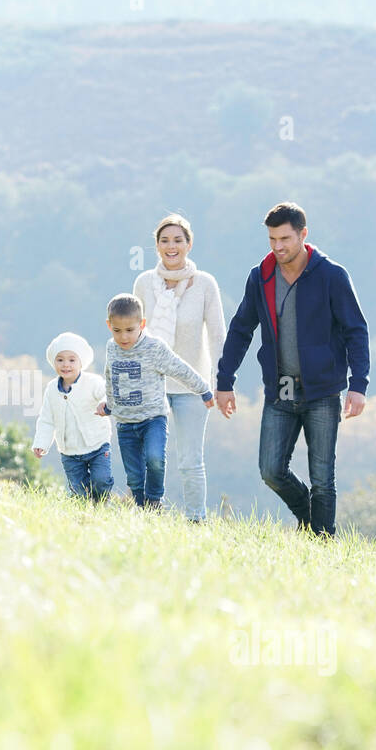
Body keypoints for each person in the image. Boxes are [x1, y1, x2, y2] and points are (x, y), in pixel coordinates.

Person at [213, 202, 370, 536]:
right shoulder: (261, 277)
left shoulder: (331, 275)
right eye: (272, 239)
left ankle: (322, 543)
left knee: (323, 479)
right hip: (280, 389)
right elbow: (241, 329)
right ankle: (308, 517)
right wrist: (224, 381)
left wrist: (358, 385)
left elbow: (356, 330)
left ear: (303, 234)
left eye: (285, 238)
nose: (278, 246)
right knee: (271, 470)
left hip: (322, 391)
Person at [132, 214, 226, 522]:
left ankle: (196, 519)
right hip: (151, 384)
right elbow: (133, 333)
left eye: (178, 240)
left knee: (189, 459)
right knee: (152, 458)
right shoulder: (144, 283)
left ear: (189, 243)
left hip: (191, 385)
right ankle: (148, 513)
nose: (171, 247)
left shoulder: (205, 284)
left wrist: (218, 383)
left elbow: (216, 335)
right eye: (164, 240)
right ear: (157, 246)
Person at [97, 293, 214, 508]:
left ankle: (154, 500)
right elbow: (111, 377)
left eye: (130, 330)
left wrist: (203, 389)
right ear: (109, 325)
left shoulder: (154, 348)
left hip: (153, 419)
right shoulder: (111, 347)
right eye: (117, 331)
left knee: (155, 459)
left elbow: (180, 369)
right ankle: (143, 510)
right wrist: (110, 406)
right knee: (133, 475)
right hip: (125, 423)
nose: (124, 337)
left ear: (141, 324)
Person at [32, 332, 114, 502]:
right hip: (69, 451)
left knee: (101, 480)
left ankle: (101, 505)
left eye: (71, 360)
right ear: (53, 362)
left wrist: (106, 403)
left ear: (80, 362)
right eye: (60, 360)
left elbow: (107, 393)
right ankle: (85, 514)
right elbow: (47, 419)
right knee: (79, 491)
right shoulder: (51, 390)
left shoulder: (92, 382)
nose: (65, 365)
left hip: (97, 444)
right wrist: (41, 443)